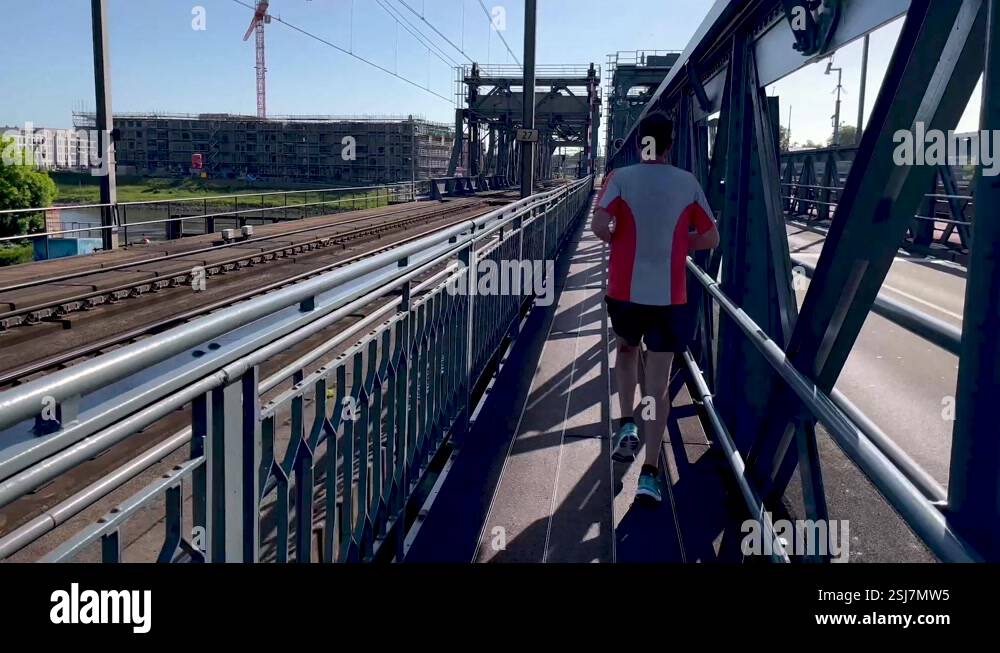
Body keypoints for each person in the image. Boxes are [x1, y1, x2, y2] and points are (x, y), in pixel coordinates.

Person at [591, 112, 720, 505]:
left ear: (640, 142)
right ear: (670, 143)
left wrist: (620, 238)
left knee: (626, 352)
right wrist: (678, 243)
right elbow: (711, 237)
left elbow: (599, 225)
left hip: (625, 291)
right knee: (659, 384)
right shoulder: (687, 183)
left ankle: (626, 422)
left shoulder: (620, 178)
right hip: (670, 296)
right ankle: (650, 472)